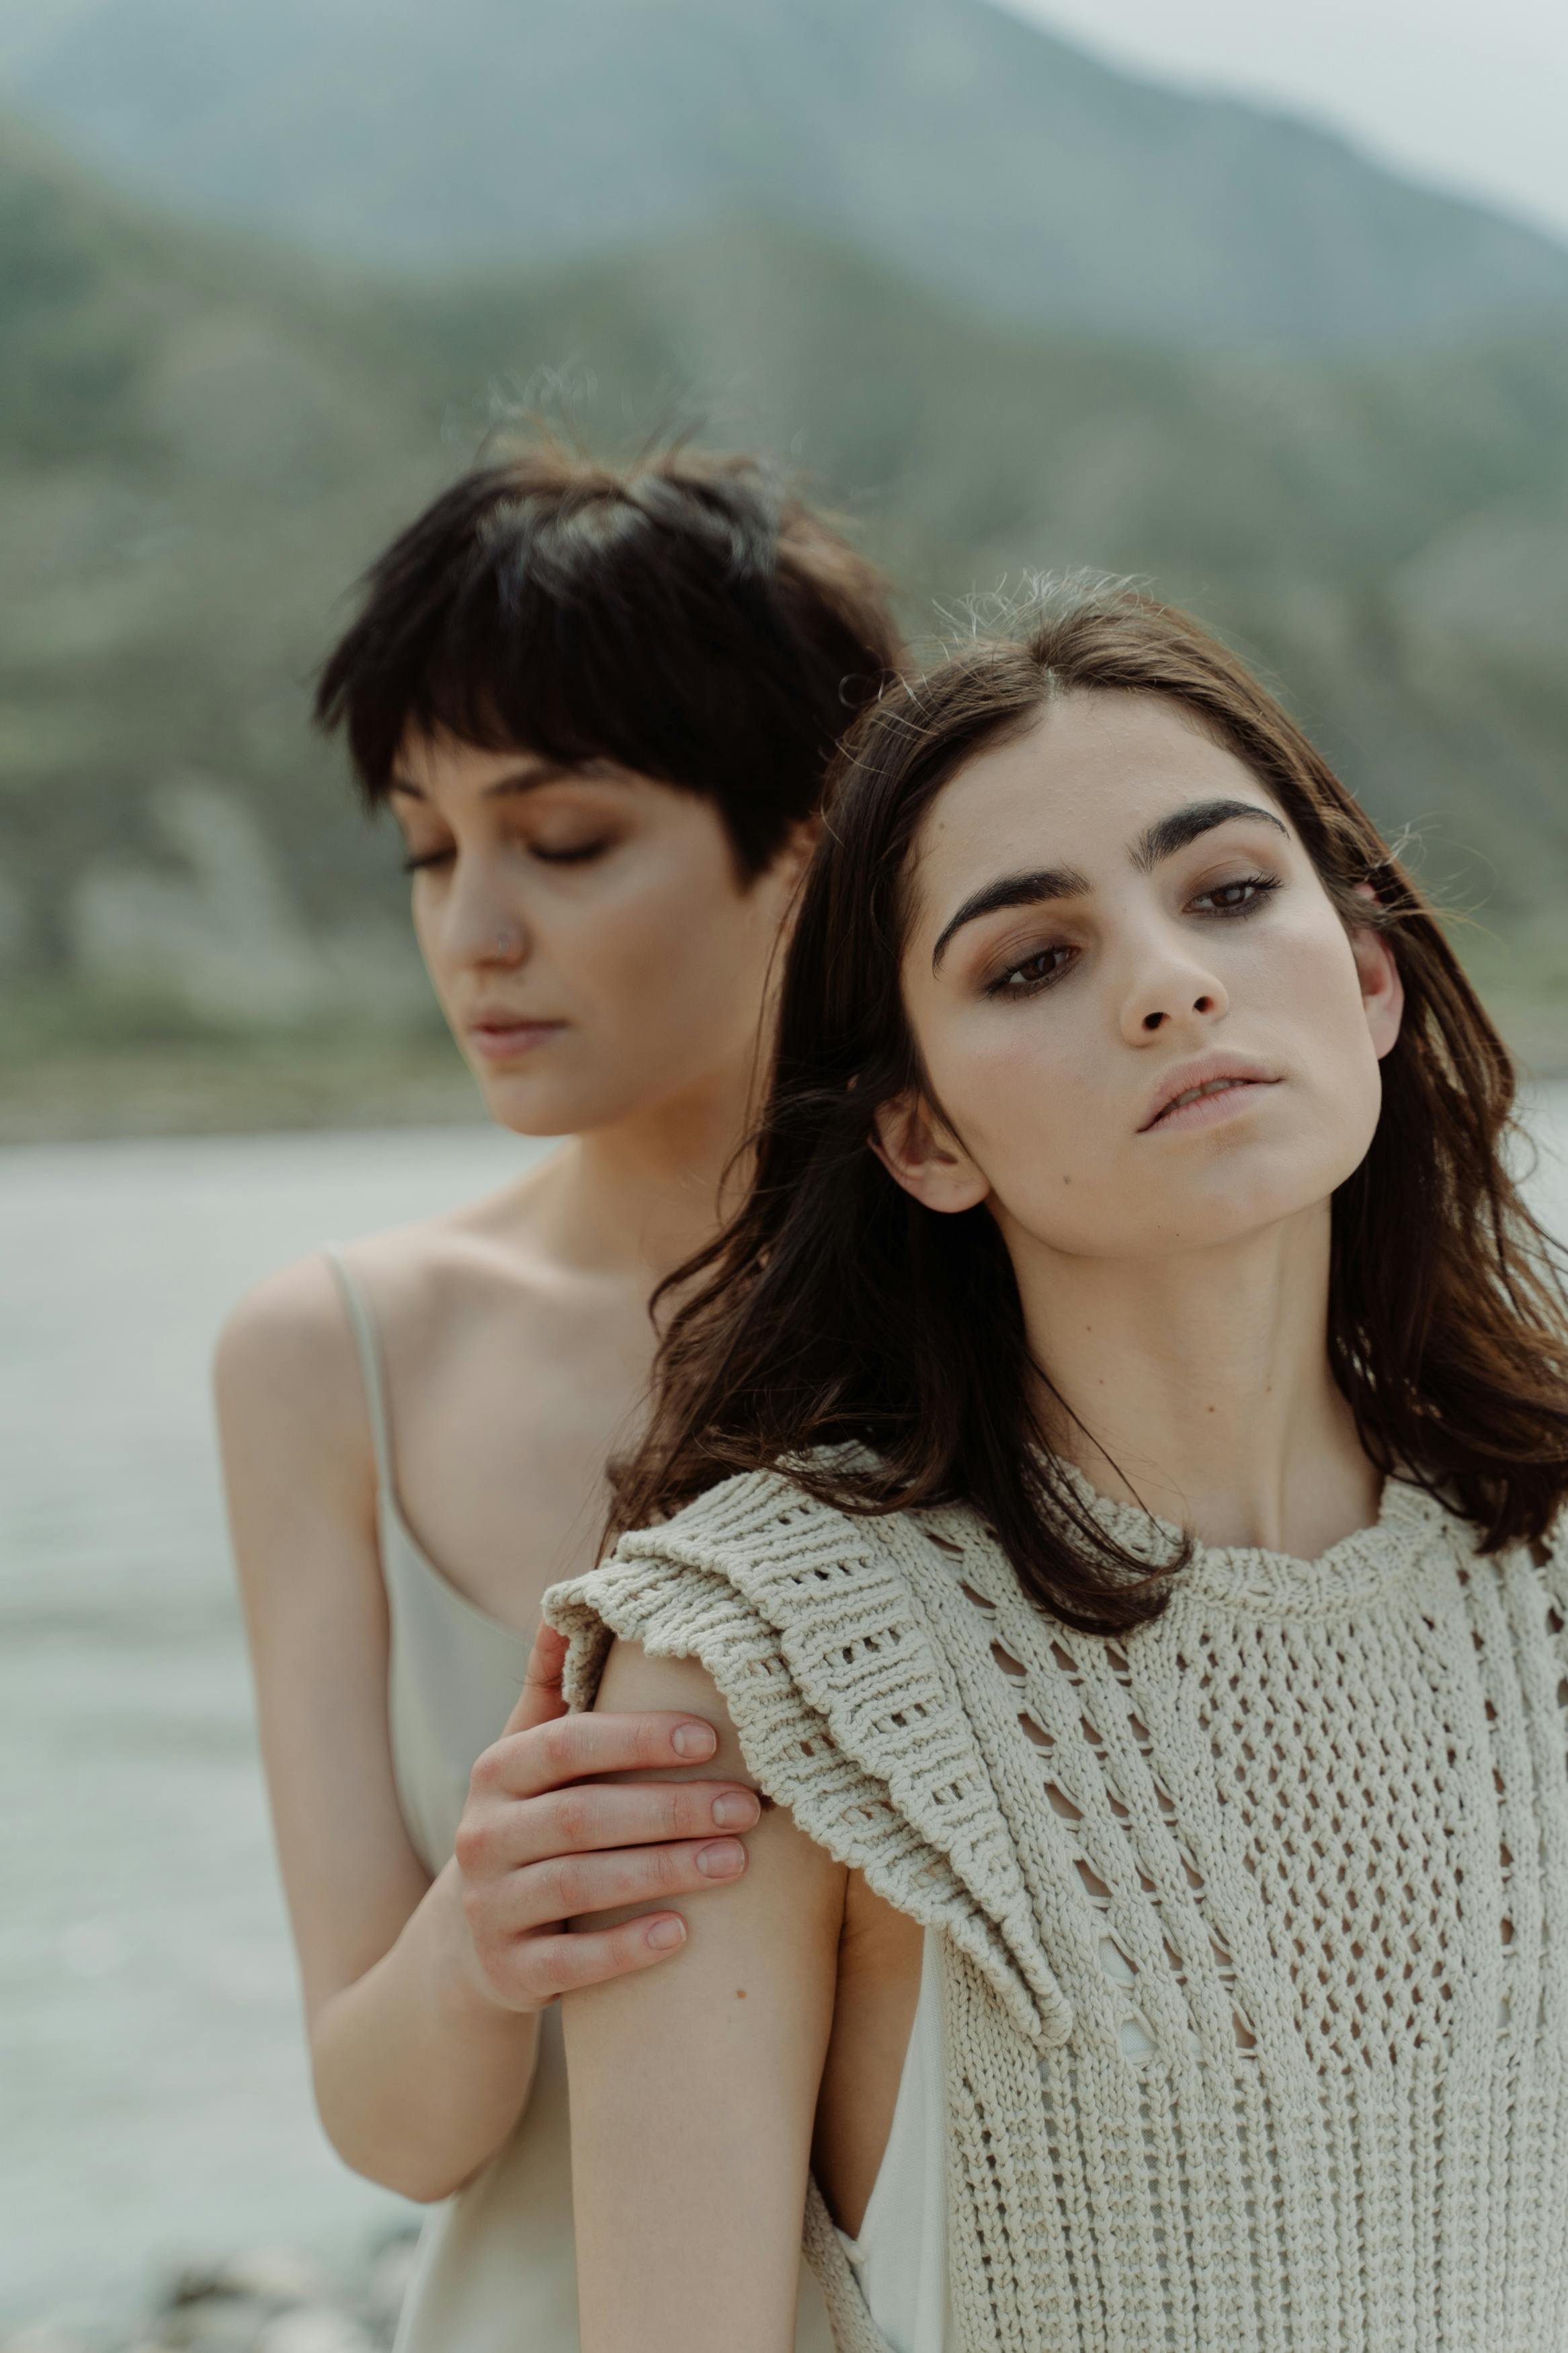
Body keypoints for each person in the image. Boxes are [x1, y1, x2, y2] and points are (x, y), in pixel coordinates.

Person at [546, 582, 1568, 2353]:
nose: (1173, 983)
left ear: (1374, 978)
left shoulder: (1545, 1554)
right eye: (1033, 961)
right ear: (923, 1134)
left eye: (1232, 893)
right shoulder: (764, 1654)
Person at [214, 441, 901, 2353]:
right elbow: (389, 2121)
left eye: (565, 838)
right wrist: (479, 1930)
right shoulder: (336, 1356)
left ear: (811, 834)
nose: (474, 931)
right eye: (433, 849)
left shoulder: (1001, 1307)